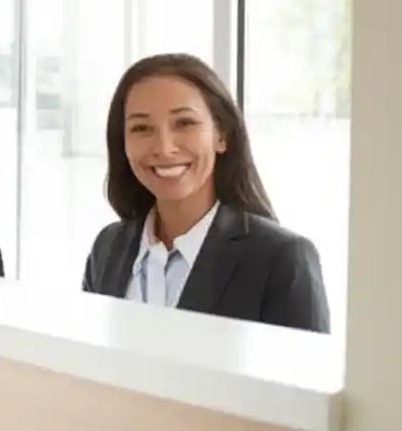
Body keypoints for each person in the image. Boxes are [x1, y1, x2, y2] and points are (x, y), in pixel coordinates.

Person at [82, 53, 330, 333]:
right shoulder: (107, 249)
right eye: (141, 128)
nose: (164, 147)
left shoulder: (282, 260)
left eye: (184, 123)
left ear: (221, 135)